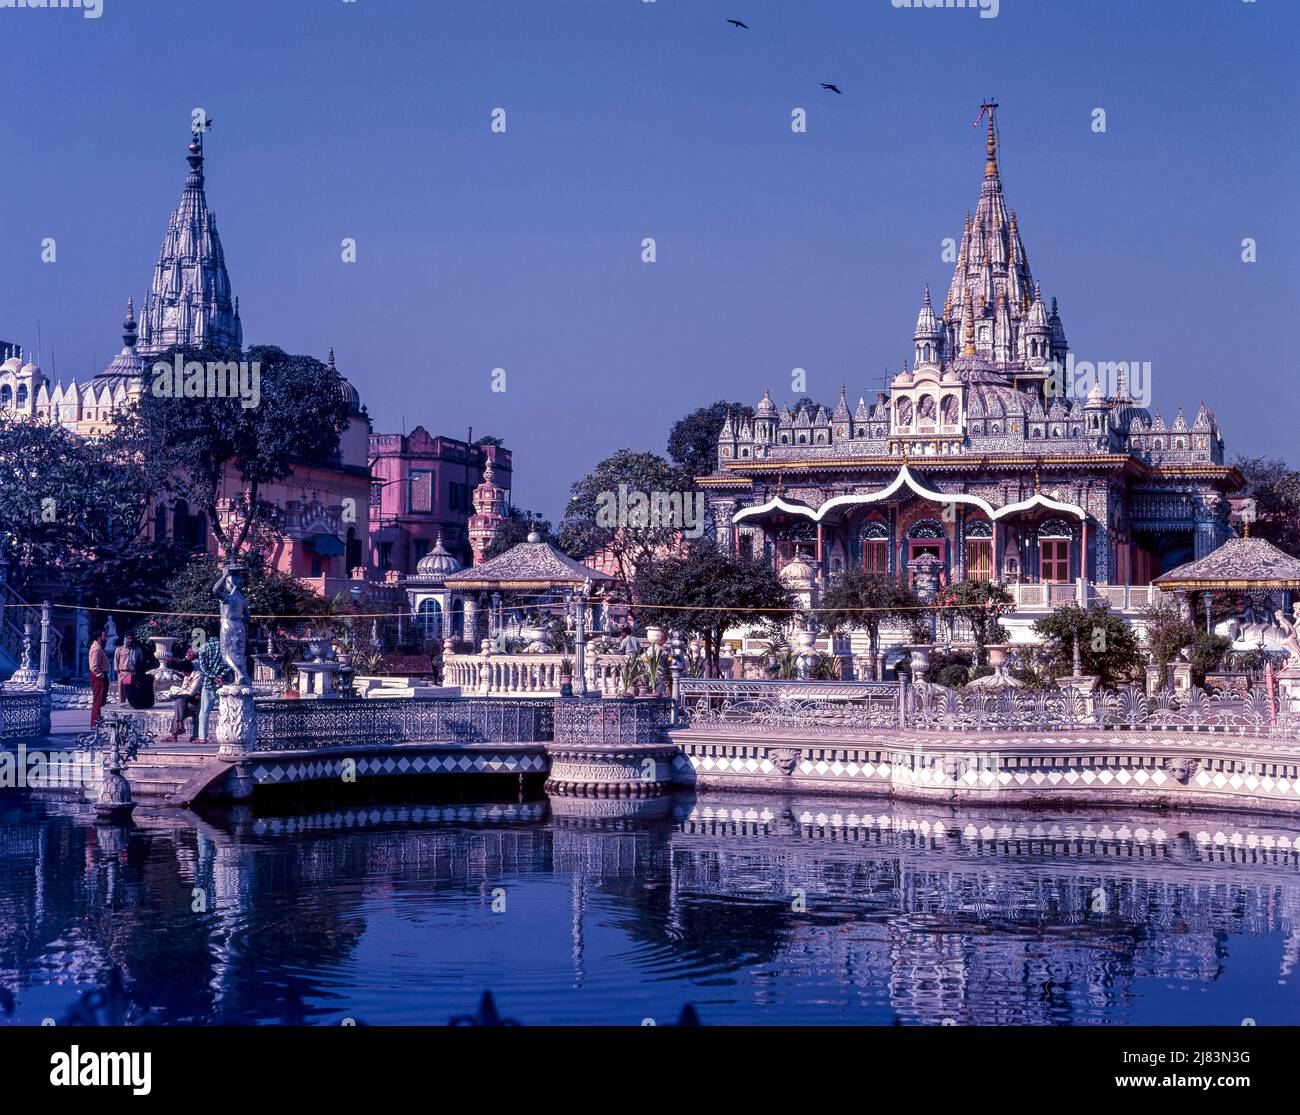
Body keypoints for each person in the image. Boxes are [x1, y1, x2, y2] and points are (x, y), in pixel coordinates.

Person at [163, 668, 203, 742]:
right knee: (179, 702)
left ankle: (174, 734)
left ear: (184, 671)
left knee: (179, 707)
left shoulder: (198, 675)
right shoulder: (186, 677)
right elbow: (183, 689)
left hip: (199, 702)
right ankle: (180, 723)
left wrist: (187, 691)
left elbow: (191, 692)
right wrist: (186, 691)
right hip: (190, 699)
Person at [88, 632, 109, 725]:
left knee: (100, 699)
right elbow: (94, 666)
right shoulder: (96, 648)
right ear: (99, 637)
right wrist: (101, 675)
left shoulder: (98, 647)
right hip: (98, 676)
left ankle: (98, 720)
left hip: (99, 675)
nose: (106, 637)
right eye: (104, 636)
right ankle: (96, 722)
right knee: (99, 699)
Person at [113, 634, 142, 702]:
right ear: (125, 639)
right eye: (128, 638)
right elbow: (116, 662)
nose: (130, 640)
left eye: (131, 638)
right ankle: (121, 709)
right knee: (122, 695)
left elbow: (140, 662)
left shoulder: (138, 649)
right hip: (122, 673)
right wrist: (119, 674)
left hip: (133, 673)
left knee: (133, 693)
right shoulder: (119, 649)